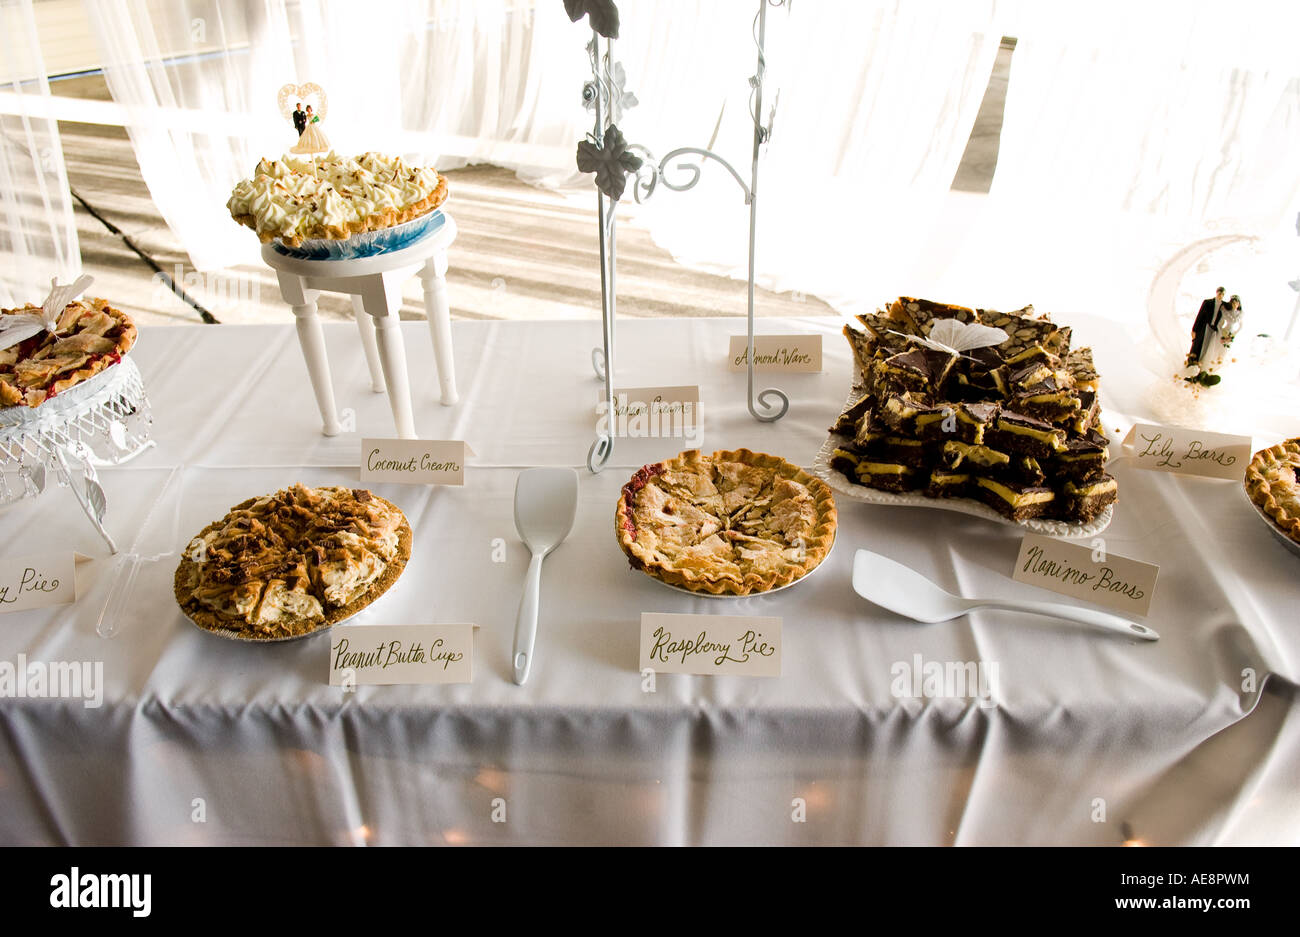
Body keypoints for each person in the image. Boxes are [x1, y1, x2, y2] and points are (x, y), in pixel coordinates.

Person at [1188, 286, 1225, 368]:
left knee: (1207, 348)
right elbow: (1200, 315)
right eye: (1219, 293)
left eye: (1222, 294)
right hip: (1203, 327)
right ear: (1216, 293)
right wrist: (1194, 329)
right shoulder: (1208, 302)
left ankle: (1201, 367)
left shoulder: (1224, 305)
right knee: (1197, 345)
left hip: (1214, 330)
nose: (1220, 295)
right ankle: (1191, 364)